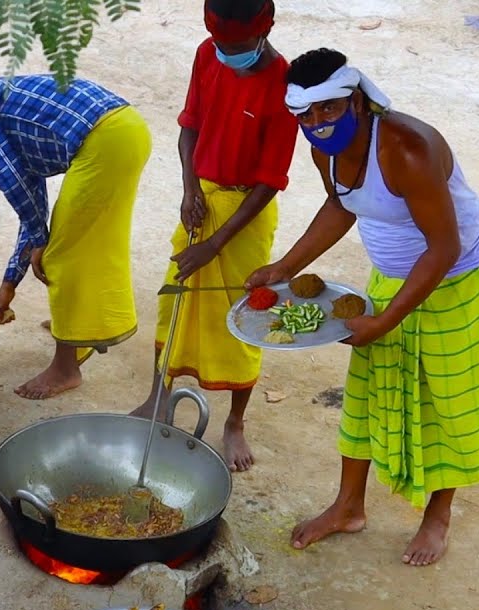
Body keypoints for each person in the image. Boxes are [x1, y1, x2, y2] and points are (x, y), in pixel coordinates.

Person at [246, 48, 479, 566]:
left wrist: (385, 318)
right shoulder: (323, 148)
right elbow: (341, 203)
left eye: (329, 110)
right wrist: (283, 268)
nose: (317, 124)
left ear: (355, 100)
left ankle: (437, 515)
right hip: (396, 276)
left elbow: (444, 247)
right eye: (305, 116)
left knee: (444, 399)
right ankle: (348, 507)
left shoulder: (408, 148)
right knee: (370, 391)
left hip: (461, 279)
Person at [130, 0, 298, 473]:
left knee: (245, 313)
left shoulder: (284, 85)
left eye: (238, 46)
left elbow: (269, 180)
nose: (228, 53)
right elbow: (190, 128)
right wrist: (189, 188)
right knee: (174, 300)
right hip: (201, 199)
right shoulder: (208, 54)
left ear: (265, 28)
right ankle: (158, 397)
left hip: (244, 215)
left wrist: (217, 243)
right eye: (222, 43)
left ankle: (235, 422)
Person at [0, 75, 152, 399]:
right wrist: (9, 284)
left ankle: (66, 368)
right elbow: (31, 209)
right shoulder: (6, 124)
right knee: (83, 244)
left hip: (106, 139)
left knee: (59, 255)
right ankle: (76, 329)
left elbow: (10, 177)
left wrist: (39, 240)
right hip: (123, 131)